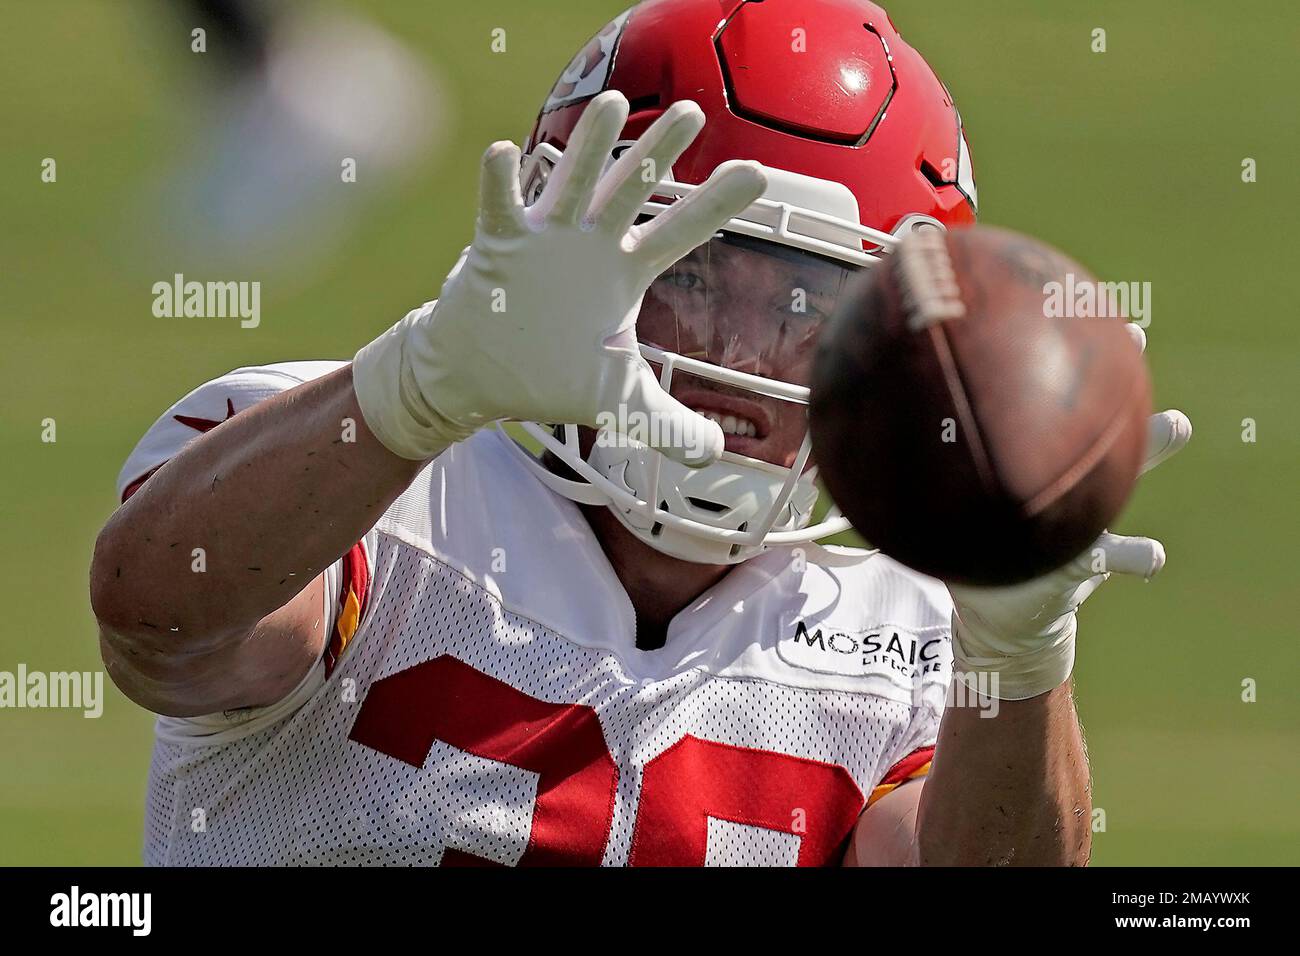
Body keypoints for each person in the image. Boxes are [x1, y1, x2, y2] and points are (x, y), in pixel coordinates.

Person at [90, 0, 1189, 866]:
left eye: (808, 306)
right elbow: (161, 624)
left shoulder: (909, 641)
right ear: (561, 232)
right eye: (693, 271)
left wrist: (1017, 659)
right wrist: (411, 392)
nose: (746, 357)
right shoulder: (354, 477)